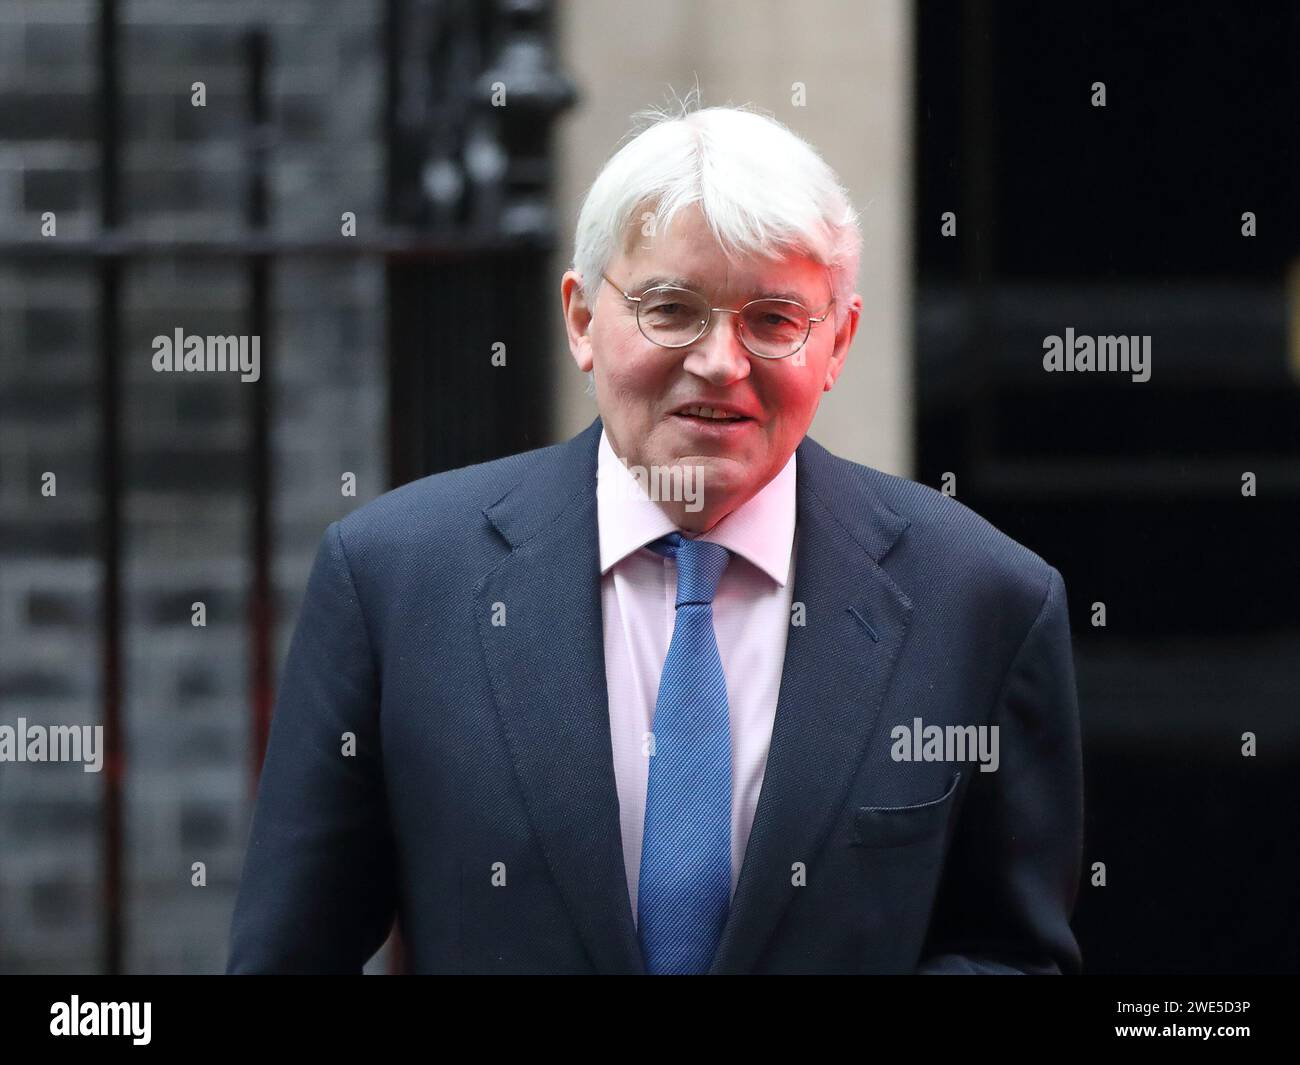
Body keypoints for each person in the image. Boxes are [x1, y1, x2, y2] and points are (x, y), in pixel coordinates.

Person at [227, 100, 1083, 975]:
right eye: (671, 309)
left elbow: (1008, 955)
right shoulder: (395, 580)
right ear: (581, 319)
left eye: (774, 319)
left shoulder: (982, 599)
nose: (721, 361)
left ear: (839, 341)